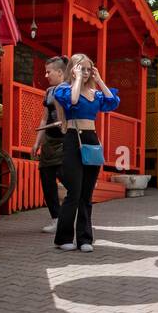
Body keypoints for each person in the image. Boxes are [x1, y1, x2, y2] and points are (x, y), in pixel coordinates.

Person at [52, 53, 119, 252]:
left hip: (91, 141)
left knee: (87, 194)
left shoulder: (95, 93)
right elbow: (72, 101)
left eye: (89, 69)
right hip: (74, 139)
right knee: (74, 191)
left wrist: (99, 80)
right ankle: (63, 237)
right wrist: (78, 78)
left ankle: (85, 239)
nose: (86, 72)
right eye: (82, 68)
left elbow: (112, 102)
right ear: (72, 69)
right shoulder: (64, 89)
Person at [31, 55, 69, 236]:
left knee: (68, 180)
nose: (46, 75)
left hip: (66, 142)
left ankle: (74, 217)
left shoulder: (71, 90)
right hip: (49, 141)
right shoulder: (49, 92)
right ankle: (56, 218)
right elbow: (45, 118)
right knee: (47, 181)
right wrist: (37, 142)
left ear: (60, 72)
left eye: (49, 72)